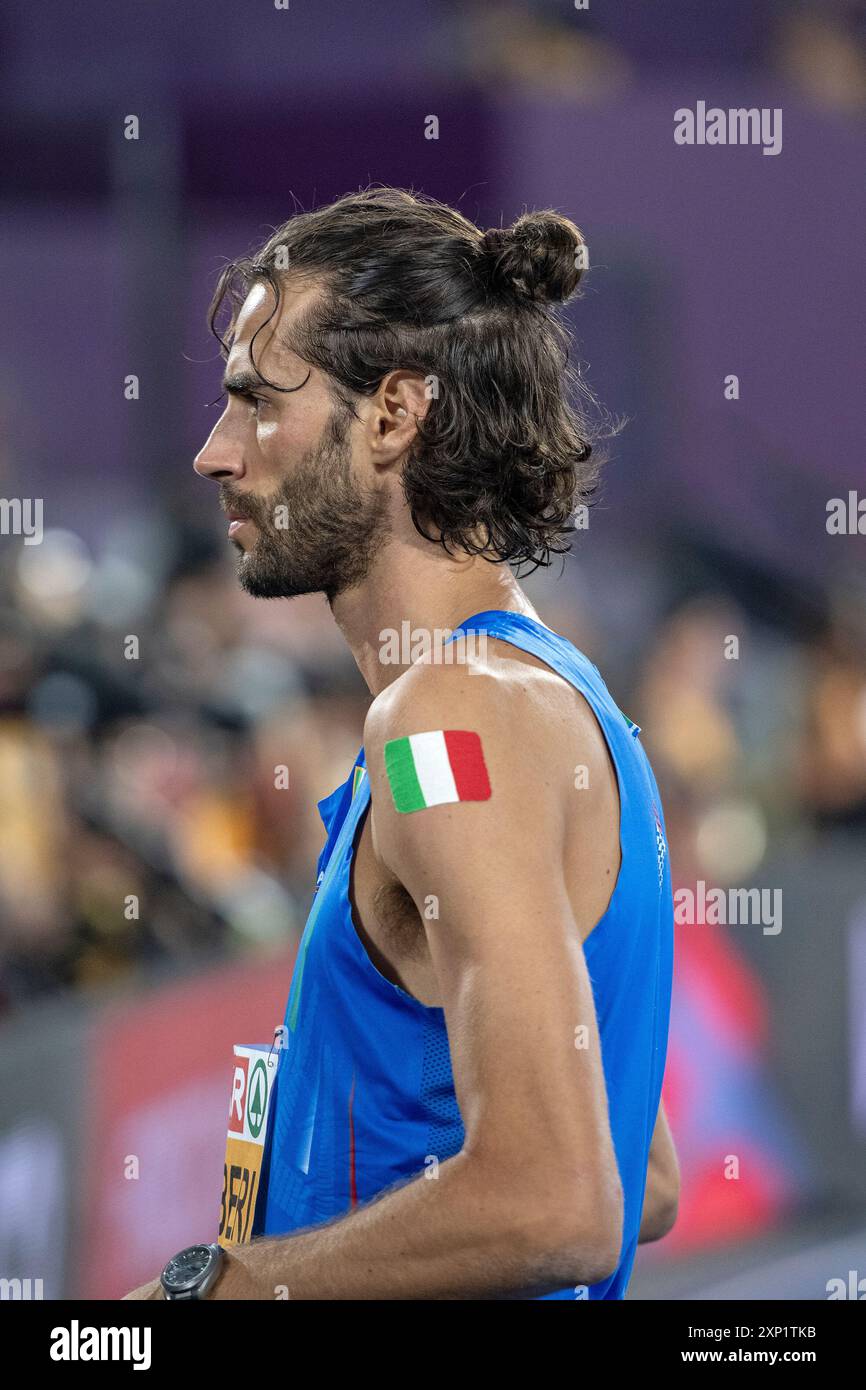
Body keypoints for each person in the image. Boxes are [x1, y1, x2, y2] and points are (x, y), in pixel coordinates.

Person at [126, 187, 676, 1300]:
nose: (213, 453)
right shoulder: (550, 703)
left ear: (392, 415)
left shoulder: (444, 723)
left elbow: (562, 1202)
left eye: (253, 402)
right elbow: (644, 1169)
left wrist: (217, 1291)